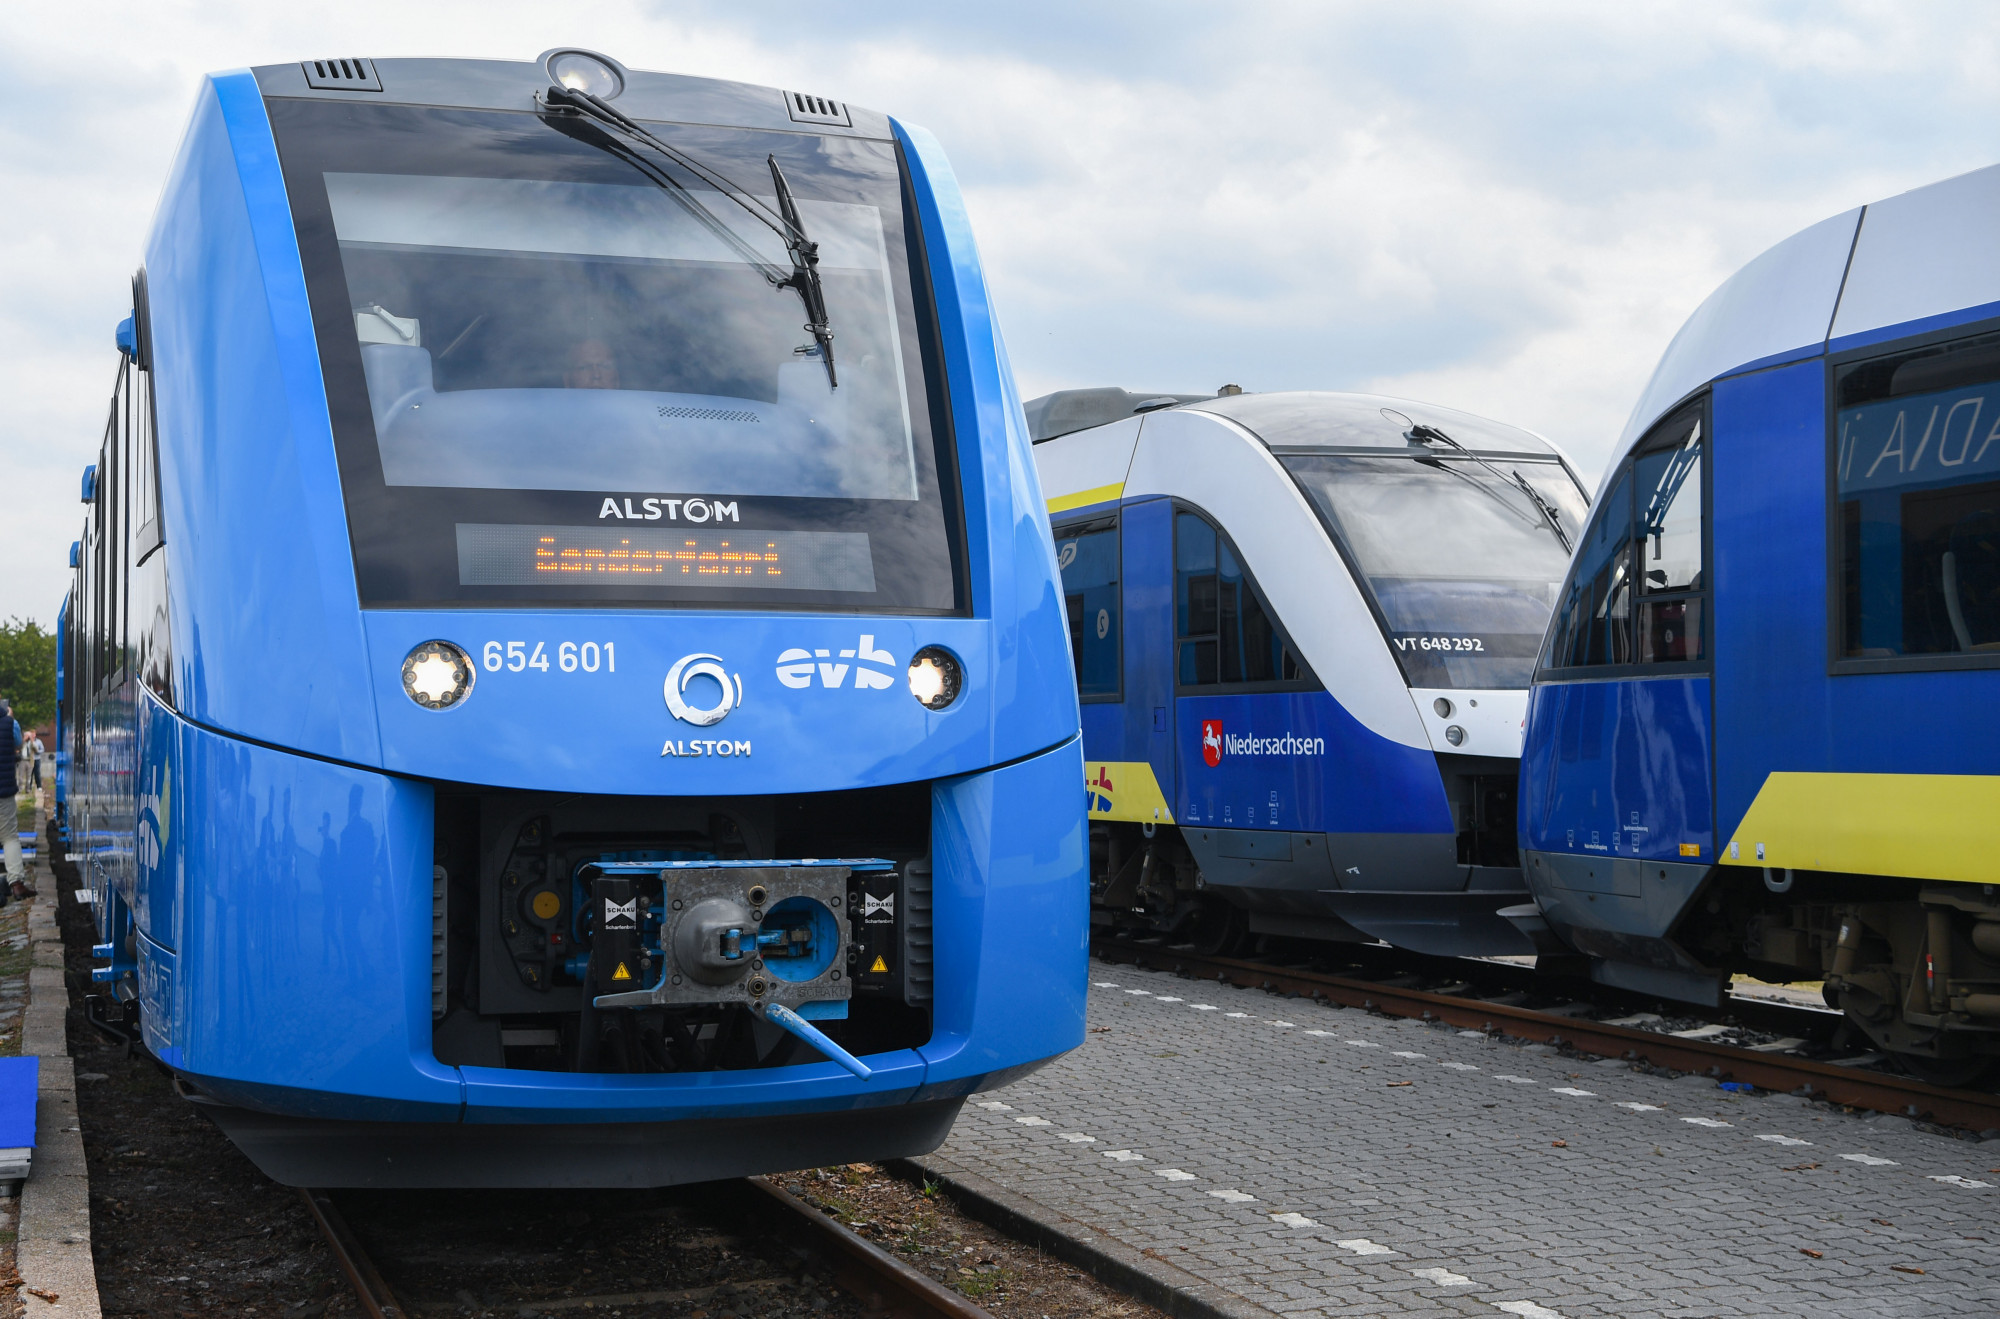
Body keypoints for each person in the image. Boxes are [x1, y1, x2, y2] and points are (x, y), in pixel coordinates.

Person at [0, 700, 19, 902]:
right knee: (9, 838)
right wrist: (10, 718)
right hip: (4, 791)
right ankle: (17, 884)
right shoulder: (8, 722)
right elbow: (17, 742)